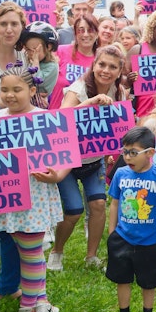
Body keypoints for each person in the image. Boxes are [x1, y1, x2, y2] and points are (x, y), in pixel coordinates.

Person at [0, 62, 65, 312]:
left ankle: (26, 309)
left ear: (31, 89)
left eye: (16, 90)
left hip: (37, 194)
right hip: (9, 197)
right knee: (25, 249)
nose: (9, 95)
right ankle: (42, 303)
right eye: (4, 90)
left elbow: (64, 156)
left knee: (30, 251)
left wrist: (56, 175)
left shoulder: (45, 118)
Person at [48, 45, 130, 271]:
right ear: (94, 65)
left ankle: (91, 256)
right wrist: (89, 103)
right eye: (102, 64)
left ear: (119, 70)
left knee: (98, 205)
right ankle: (57, 251)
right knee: (74, 210)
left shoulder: (120, 92)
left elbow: (118, 126)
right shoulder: (78, 89)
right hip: (68, 160)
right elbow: (60, 120)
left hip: (94, 160)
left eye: (113, 67)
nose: (106, 70)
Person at [106, 126, 156, 312]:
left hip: (149, 240)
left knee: (148, 280)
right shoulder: (121, 174)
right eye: (124, 152)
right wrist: (112, 232)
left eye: (133, 152)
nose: (127, 157)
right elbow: (114, 204)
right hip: (123, 237)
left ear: (150, 153)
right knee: (122, 278)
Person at [49, 13, 100, 109]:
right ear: (75, 34)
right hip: (57, 116)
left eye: (90, 30)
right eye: (81, 30)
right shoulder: (60, 51)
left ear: (97, 34)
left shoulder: (100, 60)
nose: (85, 34)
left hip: (85, 120)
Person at [19, 22, 60, 106]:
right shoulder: (27, 60)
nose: (31, 54)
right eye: (28, 49)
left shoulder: (52, 66)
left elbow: (38, 81)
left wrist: (35, 62)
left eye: (35, 50)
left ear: (49, 47)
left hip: (39, 105)